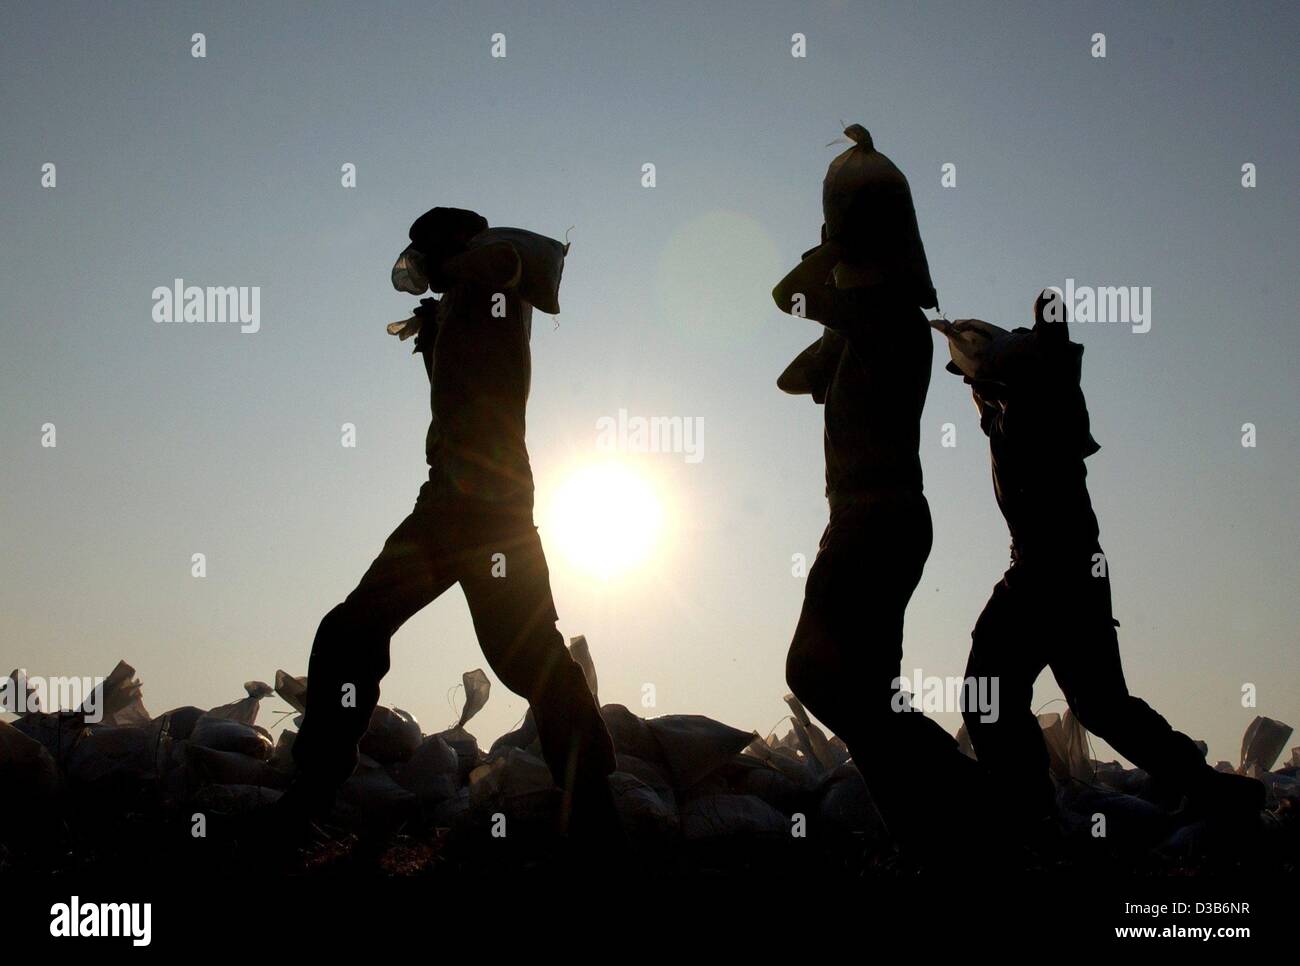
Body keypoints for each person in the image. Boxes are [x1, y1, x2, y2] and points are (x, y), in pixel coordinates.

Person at [272, 207, 620, 847]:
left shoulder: (494, 277)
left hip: (485, 504)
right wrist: (434, 332)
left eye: (424, 256)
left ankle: (596, 799)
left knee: (525, 654)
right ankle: (313, 795)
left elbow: (507, 262)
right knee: (358, 632)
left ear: (448, 247)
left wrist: (455, 275)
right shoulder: (463, 303)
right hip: (452, 499)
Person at [946, 290, 1264, 829]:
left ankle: (1028, 814)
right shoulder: (1008, 418)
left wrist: (1050, 335)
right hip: (1071, 570)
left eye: (976, 380)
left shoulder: (1039, 407)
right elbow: (1014, 397)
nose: (973, 390)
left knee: (989, 690)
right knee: (1100, 704)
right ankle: (1208, 789)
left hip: (1048, 571)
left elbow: (1053, 379)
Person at [773, 139, 982, 859]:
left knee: (816, 675)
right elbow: (794, 378)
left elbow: (785, 296)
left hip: (873, 520)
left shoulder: (886, 315)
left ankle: (973, 796)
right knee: (871, 696)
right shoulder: (865, 325)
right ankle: (934, 844)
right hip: (882, 519)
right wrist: (838, 290)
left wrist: (830, 252)